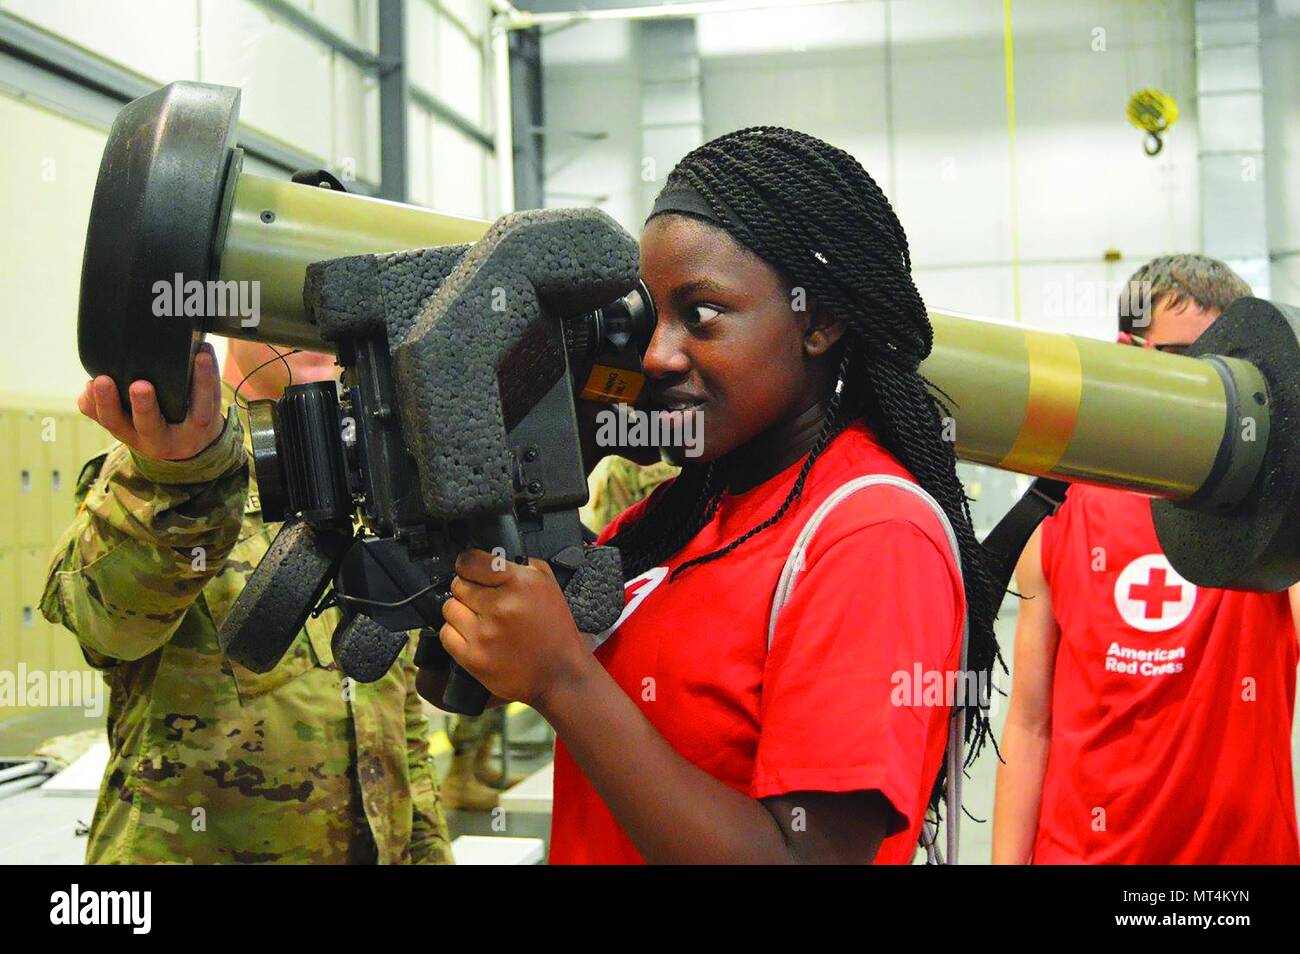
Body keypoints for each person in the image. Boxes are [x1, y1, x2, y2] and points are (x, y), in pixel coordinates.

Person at [422, 127, 1003, 864]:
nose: (657, 354)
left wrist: (564, 680)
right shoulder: (674, 517)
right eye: (651, 316)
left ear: (817, 319)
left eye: (700, 314)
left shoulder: (871, 535)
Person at [41, 339, 453, 864]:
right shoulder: (172, 469)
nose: (307, 331)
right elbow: (107, 628)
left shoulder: (373, 469)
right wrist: (184, 477)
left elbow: (396, 716)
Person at [992, 254, 1300, 864]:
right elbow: (1030, 725)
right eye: (1184, 364)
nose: (1209, 397)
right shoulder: (1060, 512)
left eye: (1228, 372)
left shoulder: (1274, 520)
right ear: (1127, 354)